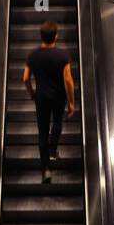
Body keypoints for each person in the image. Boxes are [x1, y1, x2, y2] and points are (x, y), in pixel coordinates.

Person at [23, 21, 76, 183]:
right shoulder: (63, 55)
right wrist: (72, 102)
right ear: (56, 36)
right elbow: (68, 80)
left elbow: (25, 78)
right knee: (58, 123)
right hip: (59, 97)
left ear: (41, 36)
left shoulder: (33, 55)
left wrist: (32, 93)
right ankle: (53, 149)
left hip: (41, 98)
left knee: (42, 132)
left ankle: (46, 168)